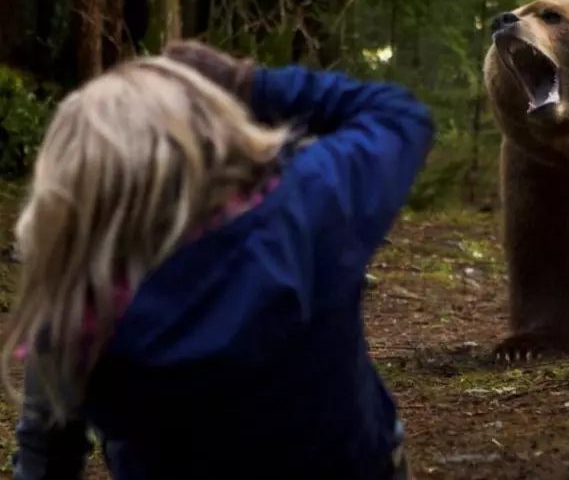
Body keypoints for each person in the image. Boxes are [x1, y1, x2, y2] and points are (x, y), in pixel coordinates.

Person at [3, 40, 434, 480]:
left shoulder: (78, 314)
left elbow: (46, 457)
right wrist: (249, 82)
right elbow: (399, 115)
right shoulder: (307, 210)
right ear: (215, 135)